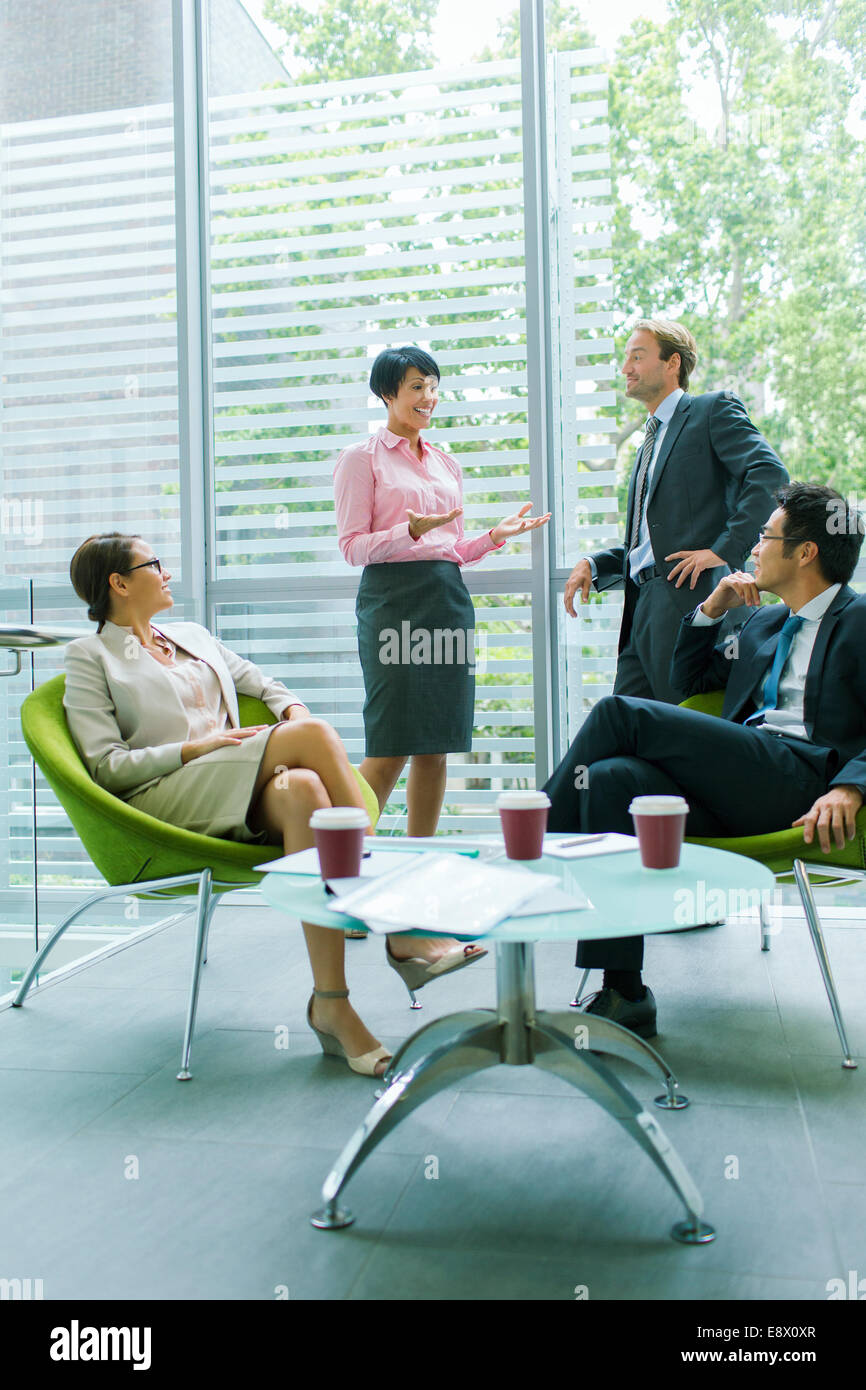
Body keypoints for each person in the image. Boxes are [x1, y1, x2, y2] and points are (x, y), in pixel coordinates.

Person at [63, 534, 485, 1077]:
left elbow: (262, 684)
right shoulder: (90, 656)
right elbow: (105, 767)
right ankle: (397, 917)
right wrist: (195, 747)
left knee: (306, 790)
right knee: (312, 738)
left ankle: (330, 1003)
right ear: (119, 584)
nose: (166, 573)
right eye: (154, 565)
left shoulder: (191, 635)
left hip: (238, 781)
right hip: (167, 794)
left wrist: (289, 707)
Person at [543, 483, 866, 1037]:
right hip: (740, 782)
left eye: (766, 536)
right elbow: (688, 684)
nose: (754, 548)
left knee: (620, 712)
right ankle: (624, 991)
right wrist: (711, 609)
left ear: (806, 552)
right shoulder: (762, 624)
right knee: (608, 780)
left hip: (801, 785)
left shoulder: (861, 622)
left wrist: (851, 788)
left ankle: (531, 855)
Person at [334, 346, 550, 983]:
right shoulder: (361, 460)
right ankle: (344, 881)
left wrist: (493, 538)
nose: (427, 398)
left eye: (433, 387)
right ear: (386, 394)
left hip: (446, 601)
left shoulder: (446, 460)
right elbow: (351, 548)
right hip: (393, 603)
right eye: (414, 387)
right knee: (391, 747)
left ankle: (418, 884)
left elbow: (451, 547)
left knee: (434, 748)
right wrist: (410, 530)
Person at [563, 318, 788, 703]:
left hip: (688, 601)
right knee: (625, 726)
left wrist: (724, 549)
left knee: (675, 728)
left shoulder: (711, 411)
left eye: (638, 356)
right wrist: (596, 563)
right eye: (626, 357)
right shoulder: (647, 441)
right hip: (642, 608)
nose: (625, 368)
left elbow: (769, 475)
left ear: (672, 363)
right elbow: (653, 540)